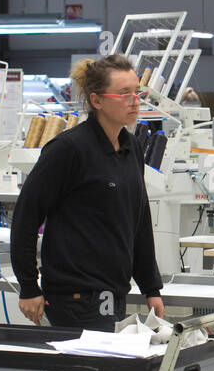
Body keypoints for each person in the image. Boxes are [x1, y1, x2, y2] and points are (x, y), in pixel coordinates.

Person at [10, 54, 165, 332]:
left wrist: (151, 287)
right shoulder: (69, 149)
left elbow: (138, 221)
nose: (135, 100)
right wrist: (28, 286)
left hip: (114, 294)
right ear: (96, 101)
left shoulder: (131, 148)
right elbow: (26, 216)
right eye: (124, 93)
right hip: (75, 297)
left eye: (137, 91)